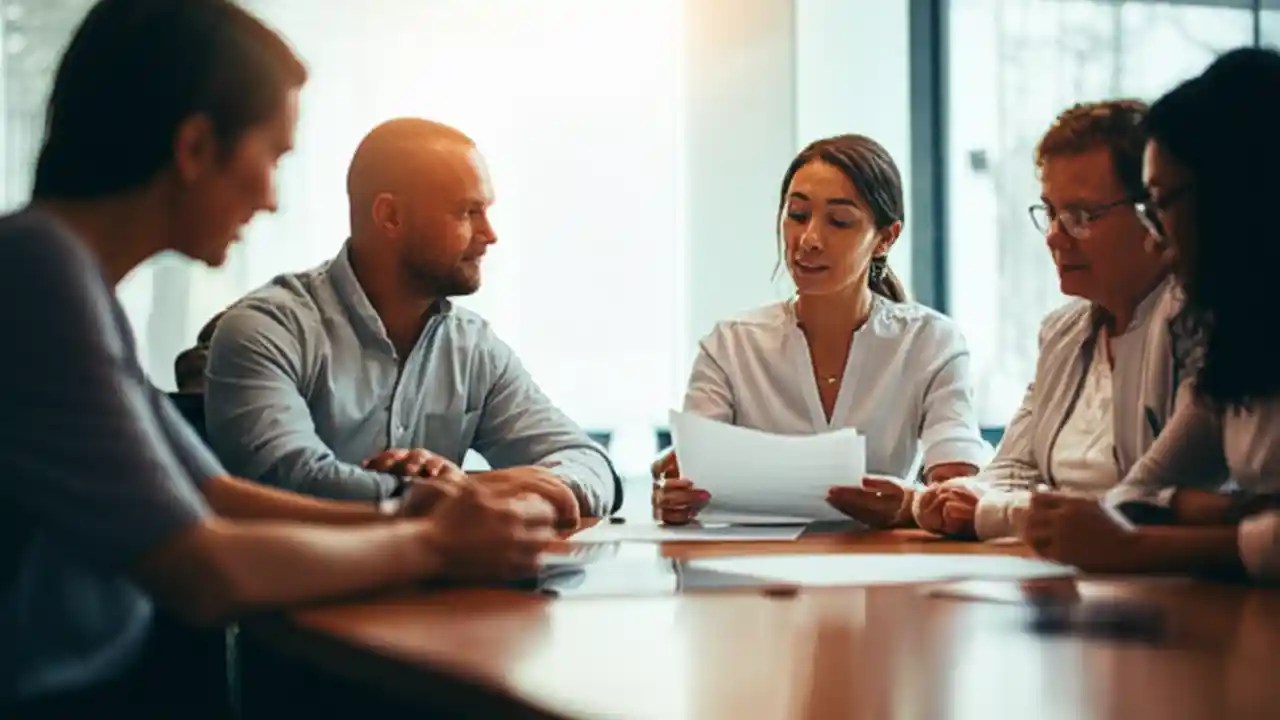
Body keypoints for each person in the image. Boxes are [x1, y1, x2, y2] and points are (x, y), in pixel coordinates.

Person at [0, 1, 554, 714]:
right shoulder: (36, 274)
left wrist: (417, 515)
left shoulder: (65, 274)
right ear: (196, 149)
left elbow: (214, 496)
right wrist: (437, 545)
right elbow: (203, 570)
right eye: (273, 158)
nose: (270, 198)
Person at [204, 118, 620, 523]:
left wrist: (528, 493)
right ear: (390, 217)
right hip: (297, 591)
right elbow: (288, 480)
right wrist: (465, 494)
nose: (490, 234)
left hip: (442, 590)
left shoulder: (474, 348)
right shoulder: (266, 329)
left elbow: (590, 464)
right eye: (468, 211)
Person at [1027, 48, 1280, 581]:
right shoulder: (1238, 328)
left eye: (1162, 203)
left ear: (1235, 196)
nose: (1157, 241)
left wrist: (1142, 544)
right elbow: (1138, 490)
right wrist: (1223, 512)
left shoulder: (1187, 319)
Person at [651, 134, 988, 527]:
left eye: (839, 221)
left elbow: (958, 484)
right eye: (796, 215)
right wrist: (675, 496)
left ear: (886, 237)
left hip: (884, 572)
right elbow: (690, 476)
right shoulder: (730, 345)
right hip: (758, 575)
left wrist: (911, 505)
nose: (808, 240)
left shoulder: (930, 342)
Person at [912, 100, 1190, 540]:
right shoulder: (1064, 331)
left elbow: (1151, 499)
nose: (1055, 237)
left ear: (1151, 211)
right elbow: (1014, 469)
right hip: (1058, 572)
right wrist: (944, 496)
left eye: (1081, 216)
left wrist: (993, 511)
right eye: (1051, 212)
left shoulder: (1189, 324)